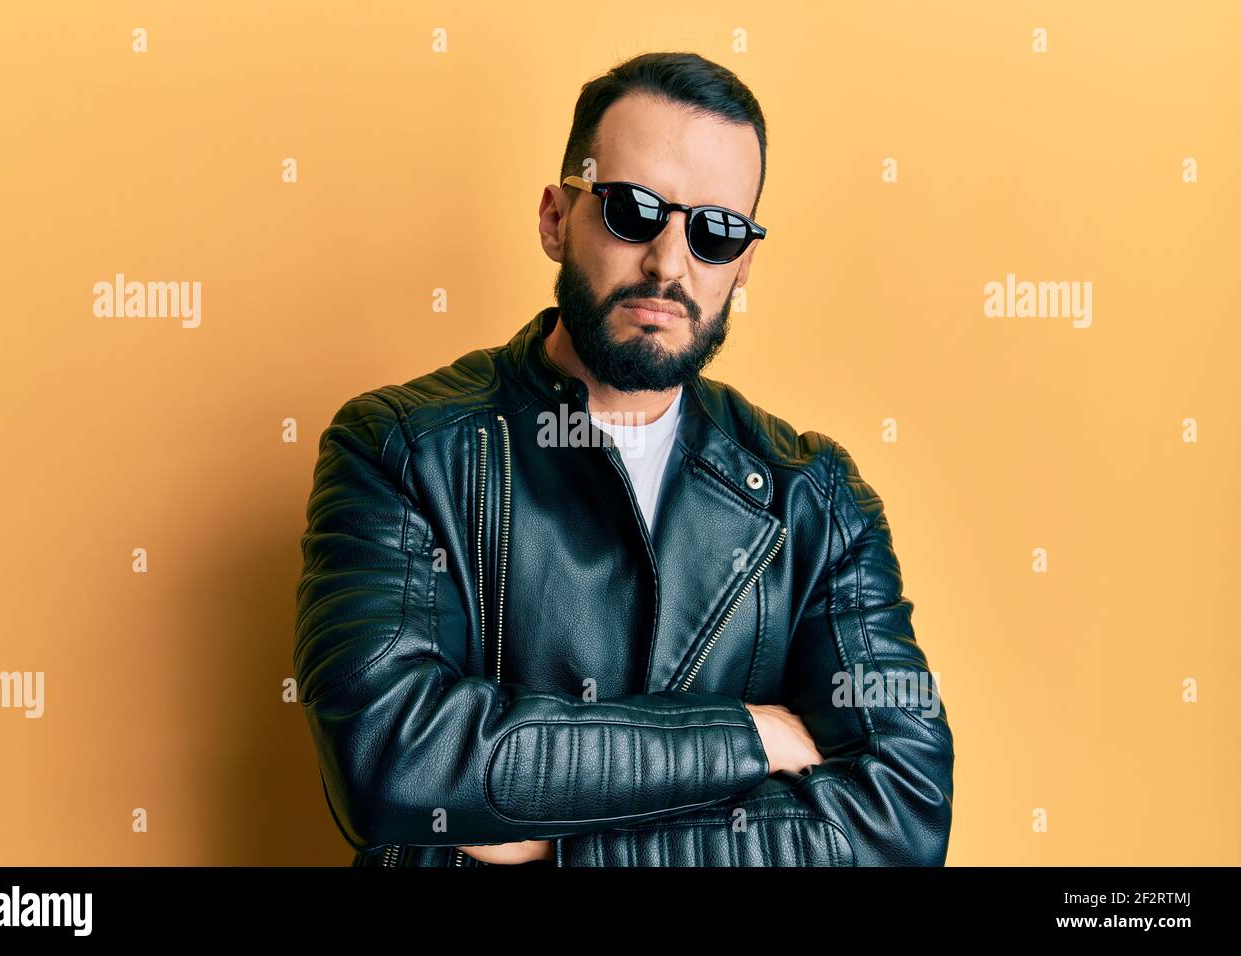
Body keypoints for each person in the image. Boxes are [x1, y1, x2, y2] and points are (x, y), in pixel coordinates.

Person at [294, 51, 954, 867]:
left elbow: (904, 819)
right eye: (633, 211)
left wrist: (547, 847)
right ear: (554, 218)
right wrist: (746, 736)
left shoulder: (817, 501)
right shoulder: (399, 449)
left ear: (744, 265)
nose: (669, 265)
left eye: (715, 232)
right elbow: (390, 764)